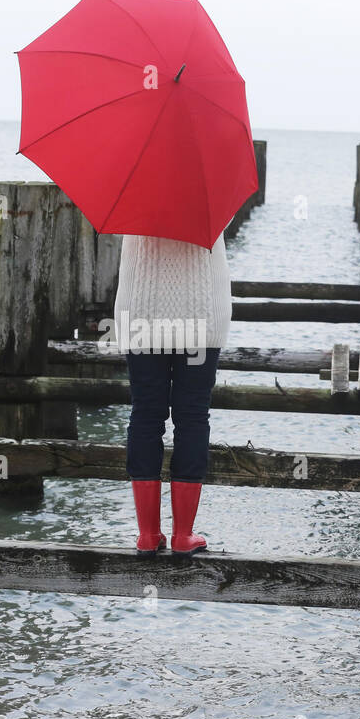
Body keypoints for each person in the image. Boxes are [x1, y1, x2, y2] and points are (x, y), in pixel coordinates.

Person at [111, 231, 231, 557]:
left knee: (146, 413)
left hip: (141, 317)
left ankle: (148, 535)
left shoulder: (132, 186)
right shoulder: (212, 183)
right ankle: (183, 535)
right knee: (192, 416)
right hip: (200, 316)